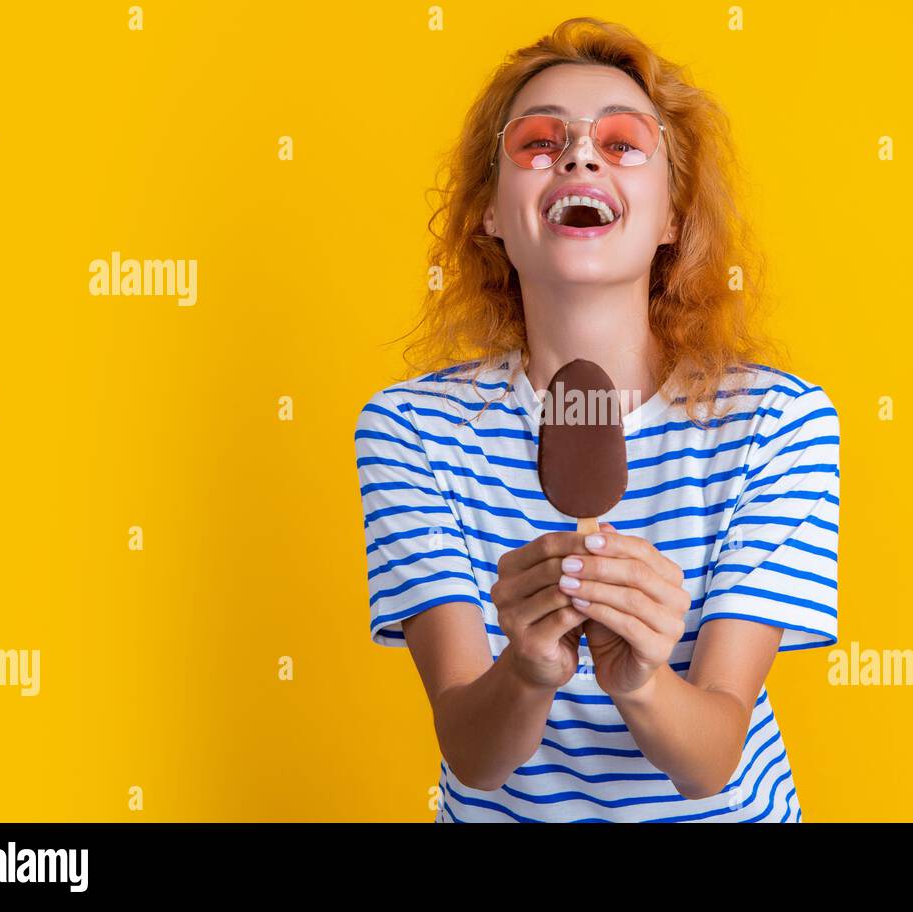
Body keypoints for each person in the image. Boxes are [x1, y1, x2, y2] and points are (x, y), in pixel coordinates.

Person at [355, 18, 840, 822]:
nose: (579, 156)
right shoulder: (413, 431)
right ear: (491, 217)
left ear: (673, 220)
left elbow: (711, 759)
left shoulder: (775, 423)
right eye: (539, 142)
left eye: (621, 143)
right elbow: (471, 756)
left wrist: (640, 678)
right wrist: (528, 669)